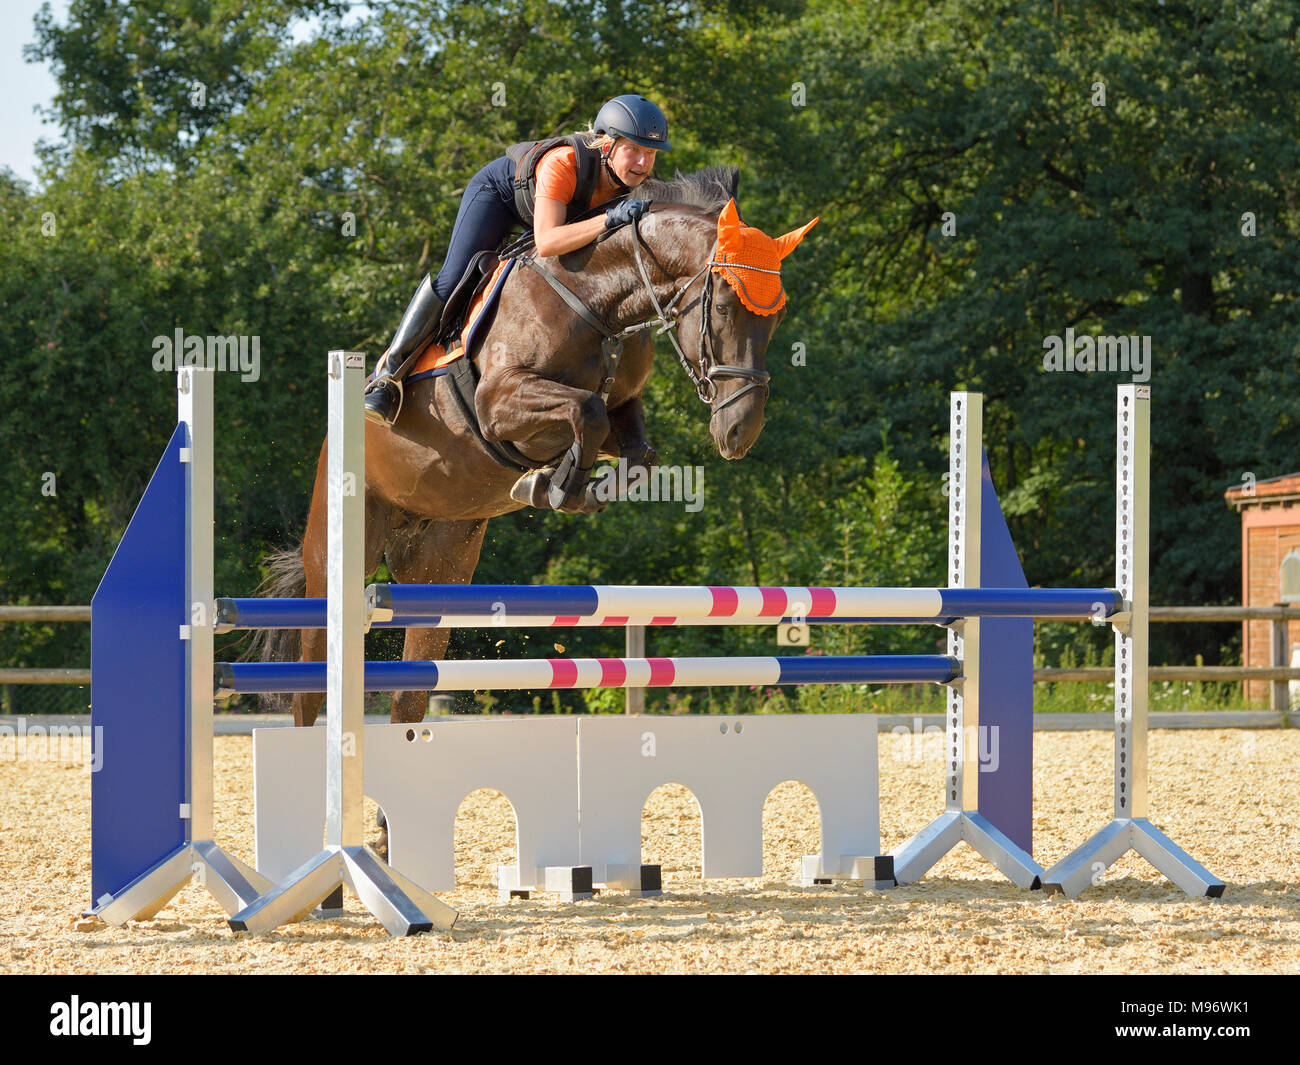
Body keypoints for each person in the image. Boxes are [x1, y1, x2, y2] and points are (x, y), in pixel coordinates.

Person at [363, 94, 672, 426]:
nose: (642, 163)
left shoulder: (639, 186)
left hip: (556, 215)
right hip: (499, 196)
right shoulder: (564, 162)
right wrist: (609, 219)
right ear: (606, 145)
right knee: (455, 277)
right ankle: (388, 375)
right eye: (634, 151)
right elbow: (549, 240)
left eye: (650, 153)